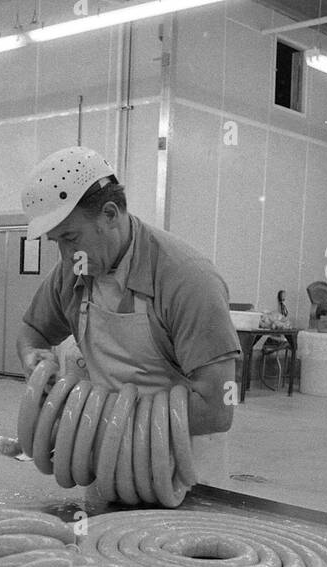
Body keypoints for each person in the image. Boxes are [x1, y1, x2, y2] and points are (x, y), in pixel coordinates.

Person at [15, 146, 240, 485]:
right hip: (106, 467)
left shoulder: (187, 280)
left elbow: (218, 408)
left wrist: (96, 415)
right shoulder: (74, 270)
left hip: (183, 477)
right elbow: (32, 331)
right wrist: (34, 358)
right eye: (55, 242)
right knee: (107, 539)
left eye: (71, 237)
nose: (64, 254)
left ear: (110, 214)